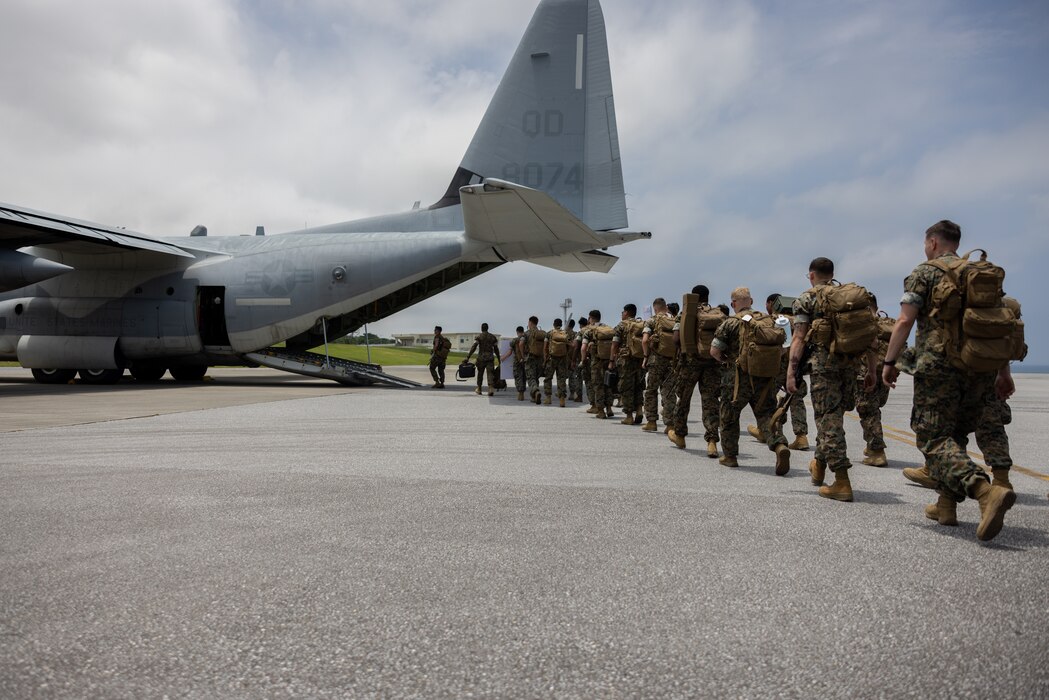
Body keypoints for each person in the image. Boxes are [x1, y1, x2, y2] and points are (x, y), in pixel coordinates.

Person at [882, 219, 1015, 541]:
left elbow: (903, 320)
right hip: (979, 367)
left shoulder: (925, 273)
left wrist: (889, 362)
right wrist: (1003, 371)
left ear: (932, 242)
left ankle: (983, 490)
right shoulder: (981, 273)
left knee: (932, 437)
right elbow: (999, 325)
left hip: (938, 367)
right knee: (955, 434)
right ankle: (945, 506)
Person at [788, 258, 876, 502]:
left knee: (828, 420)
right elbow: (871, 336)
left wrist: (791, 371)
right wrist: (871, 370)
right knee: (834, 418)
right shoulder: (850, 296)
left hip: (823, 368)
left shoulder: (807, 299)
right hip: (849, 365)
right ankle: (818, 464)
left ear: (811, 275)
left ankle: (841, 481)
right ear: (832, 273)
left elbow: (798, 338)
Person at [710, 287, 791, 474]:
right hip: (765, 376)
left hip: (737, 378)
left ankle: (730, 456)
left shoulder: (729, 323)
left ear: (733, 304)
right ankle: (779, 445)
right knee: (766, 414)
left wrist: (727, 362)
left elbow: (714, 351)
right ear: (752, 301)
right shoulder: (769, 320)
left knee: (729, 415)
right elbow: (784, 349)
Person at [667, 285, 724, 458]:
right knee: (711, 402)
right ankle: (712, 442)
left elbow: (676, 339)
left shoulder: (685, 314)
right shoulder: (718, 313)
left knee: (683, 400)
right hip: (712, 364)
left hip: (690, 363)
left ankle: (680, 435)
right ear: (707, 296)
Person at [749, 293, 809, 450]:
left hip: (777, 366)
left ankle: (771, 432)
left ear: (772, 304)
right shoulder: (800, 320)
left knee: (767, 399)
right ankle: (801, 436)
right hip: (796, 366)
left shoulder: (774, 320)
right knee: (796, 400)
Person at [854, 297, 892, 467]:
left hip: (866, 372)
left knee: (868, 412)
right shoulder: (886, 324)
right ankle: (872, 446)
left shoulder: (864, 324)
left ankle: (877, 452)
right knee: (875, 409)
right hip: (884, 371)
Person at [640, 298, 678, 432]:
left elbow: (645, 341)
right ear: (666, 307)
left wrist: (645, 357)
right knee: (669, 393)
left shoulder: (651, 320)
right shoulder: (675, 320)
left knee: (651, 391)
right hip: (672, 361)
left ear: (655, 309)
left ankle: (652, 422)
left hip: (655, 361)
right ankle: (670, 424)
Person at [609, 303, 645, 425]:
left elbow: (614, 344)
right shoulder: (641, 324)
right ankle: (639, 410)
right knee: (639, 386)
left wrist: (611, 361)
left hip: (626, 360)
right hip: (639, 359)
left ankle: (629, 416)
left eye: (623, 312)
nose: (621, 314)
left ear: (626, 313)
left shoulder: (621, 325)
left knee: (626, 388)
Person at [580, 309, 614, 419]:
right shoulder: (608, 328)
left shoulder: (589, 330)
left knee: (598, 386)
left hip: (596, 362)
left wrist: (583, 360)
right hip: (608, 360)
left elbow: (583, 348)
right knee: (608, 384)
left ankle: (601, 411)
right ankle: (609, 408)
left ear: (590, 318)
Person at [465, 322, 500, 396]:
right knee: (490, 373)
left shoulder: (479, 337)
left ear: (481, 328)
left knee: (480, 374)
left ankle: (479, 388)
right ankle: (490, 388)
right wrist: (499, 359)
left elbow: (474, 347)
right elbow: (496, 349)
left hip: (481, 358)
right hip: (490, 358)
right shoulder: (492, 337)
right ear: (487, 328)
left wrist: (468, 357)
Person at [543, 318, 570, 407]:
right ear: (561, 325)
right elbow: (569, 346)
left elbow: (545, 347)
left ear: (554, 324)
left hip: (551, 358)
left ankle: (548, 398)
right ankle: (562, 399)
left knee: (548, 378)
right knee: (561, 378)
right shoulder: (565, 333)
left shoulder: (549, 333)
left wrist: (545, 357)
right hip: (562, 358)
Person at [499, 326, 527, 400]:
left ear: (517, 332)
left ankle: (520, 393)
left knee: (518, 377)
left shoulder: (514, 341)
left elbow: (510, 352)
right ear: (523, 331)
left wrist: (503, 358)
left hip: (517, 361)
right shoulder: (527, 339)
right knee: (524, 376)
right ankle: (523, 392)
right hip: (527, 361)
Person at [522, 316, 546, 404]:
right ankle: (534, 397)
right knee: (536, 377)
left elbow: (521, 343)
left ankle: (535, 390)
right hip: (540, 358)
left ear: (530, 323)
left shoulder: (527, 333)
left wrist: (522, 355)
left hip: (530, 358)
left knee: (531, 377)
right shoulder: (542, 333)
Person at [575, 317, 591, 405]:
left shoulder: (581, 332)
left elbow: (577, 346)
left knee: (579, 378)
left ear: (580, 325)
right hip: (593, 359)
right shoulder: (593, 330)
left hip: (581, 359)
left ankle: (579, 396)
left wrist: (573, 359)